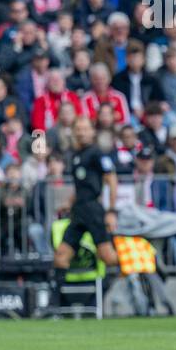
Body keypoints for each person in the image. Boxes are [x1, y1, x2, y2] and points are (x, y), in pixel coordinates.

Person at [52, 115, 120, 300]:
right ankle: (56, 306)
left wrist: (112, 211)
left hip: (93, 211)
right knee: (61, 256)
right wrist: (69, 202)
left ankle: (138, 265)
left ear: (92, 131)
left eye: (85, 128)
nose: (81, 132)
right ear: (74, 131)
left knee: (107, 257)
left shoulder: (98, 154)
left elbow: (111, 180)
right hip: (79, 212)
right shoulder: (75, 156)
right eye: (78, 129)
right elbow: (81, 186)